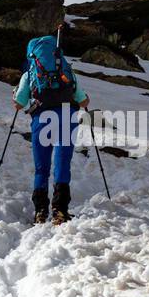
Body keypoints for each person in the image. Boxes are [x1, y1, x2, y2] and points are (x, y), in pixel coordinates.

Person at [13, 33, 89, 224]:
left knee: (42, 168)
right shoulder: (67, 70)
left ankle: (40, 211)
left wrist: (17, 95)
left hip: (42, 120)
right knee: (62, 163)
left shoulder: (29, 73)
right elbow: (84, 101)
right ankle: (60, 211)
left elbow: (19, 103)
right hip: (66, 117)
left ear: (32, 54)